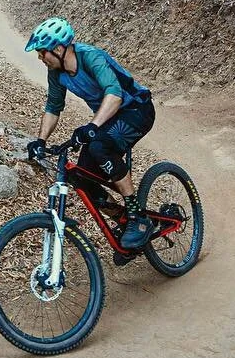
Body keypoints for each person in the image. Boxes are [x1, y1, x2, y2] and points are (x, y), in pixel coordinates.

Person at [23, 17, 157, 249]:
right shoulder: (57, 72)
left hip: (136, 110)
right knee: (82, 177)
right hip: (109, 117)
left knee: (99, 147)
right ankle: (124, 220)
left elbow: (114, 94)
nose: (40, 58)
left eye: (42, 52)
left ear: (58, 49)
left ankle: (138, 218)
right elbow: (53, 107)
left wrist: (92, 126)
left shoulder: (90, 57)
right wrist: (40, 141)